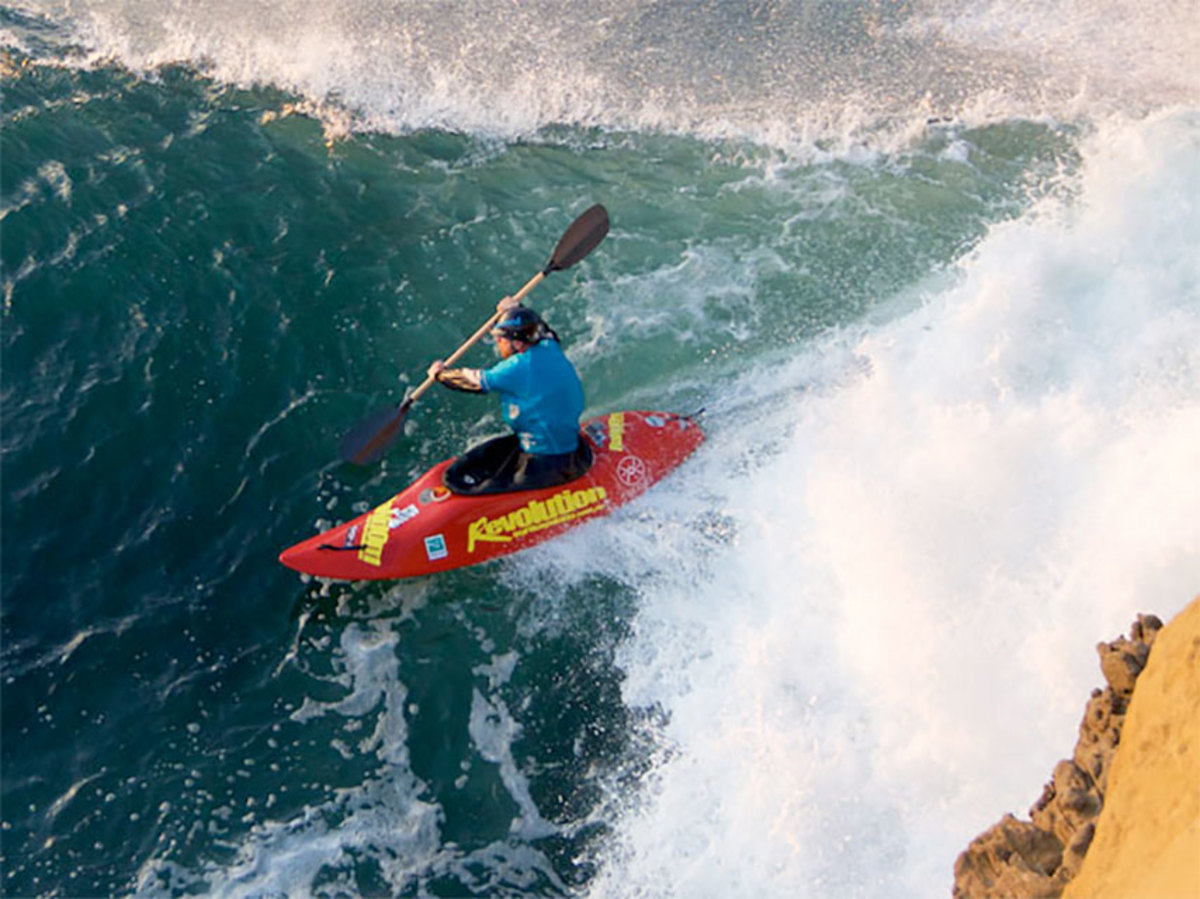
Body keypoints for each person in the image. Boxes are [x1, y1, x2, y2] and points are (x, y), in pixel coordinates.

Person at [427, 296, 592, 494]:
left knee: (484, 489)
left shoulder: (519, 367)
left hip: (549, 461)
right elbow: (542, 329)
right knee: (464, 469)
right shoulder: (549, 345)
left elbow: (473, 382)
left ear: (518, 343)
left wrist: (440, 374)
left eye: (501, 338)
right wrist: (516, 310)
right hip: (558, 444)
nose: (497, 342)